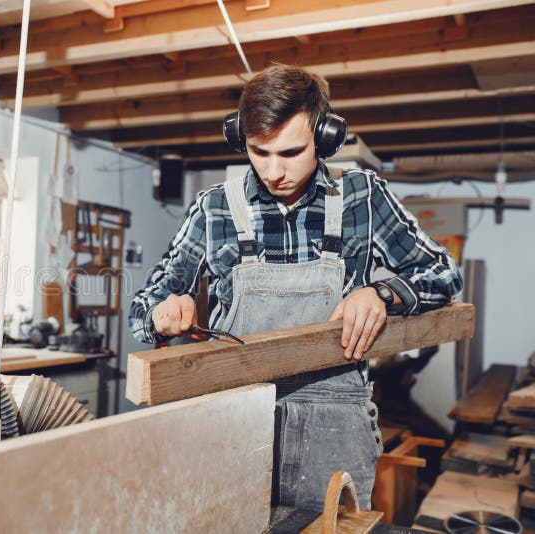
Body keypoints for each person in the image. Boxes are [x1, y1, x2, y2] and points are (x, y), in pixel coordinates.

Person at [128, 63, 463, 510]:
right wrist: (163, 313)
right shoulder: (214, 209)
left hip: (335, 428)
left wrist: (382, 294)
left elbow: (444, 273)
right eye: (258, 152)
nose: (273, 171)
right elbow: (142, 307)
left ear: (325, 137)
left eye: (290, 153)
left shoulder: (362, 197)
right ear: (240, 139)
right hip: (234, 425)